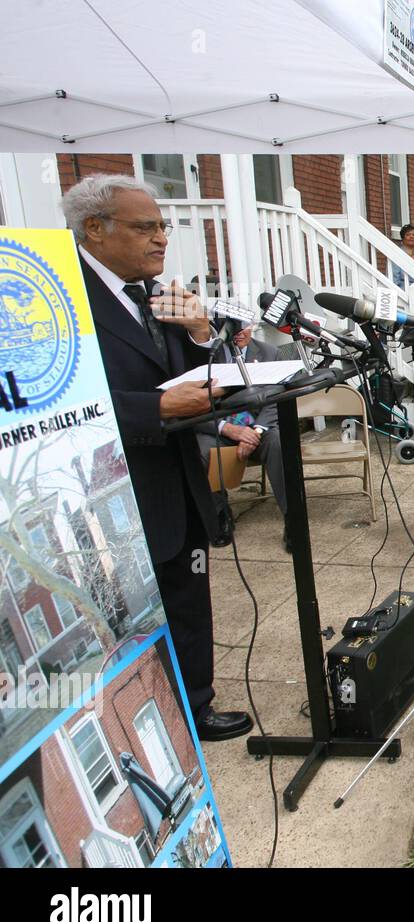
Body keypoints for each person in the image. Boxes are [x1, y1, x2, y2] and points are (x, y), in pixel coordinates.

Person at [62, 174, 252, 741]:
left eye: (162, 227)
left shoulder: (154, 295)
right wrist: (158, 407)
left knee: (190, 597)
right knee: (131, 616)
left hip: (180, 480)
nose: (161, 239)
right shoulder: (65, 299)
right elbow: (70, 403)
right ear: (94, 229)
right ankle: (134, 727)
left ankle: (195, 708)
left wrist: (197, 333)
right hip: (115, 492)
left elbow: (188, 375)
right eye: (145, 227)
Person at [194, 321, 289, 550]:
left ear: (253, 325)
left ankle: (292, 518)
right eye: (233, 329)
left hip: (257, 426)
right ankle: (219, 515)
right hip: (220, 426)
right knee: (200, 450)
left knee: (278, 443)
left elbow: (275, 398)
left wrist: (255, 432)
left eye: (244, 327)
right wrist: (227, 428)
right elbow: (194, 406)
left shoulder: (269, 352)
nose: (240, 333)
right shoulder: (206, 355)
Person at [390, 223, 414, 290]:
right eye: (408, 235)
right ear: (403, 238)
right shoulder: (396, 254)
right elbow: (394, 280)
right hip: (403, 292)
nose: (411, 236)